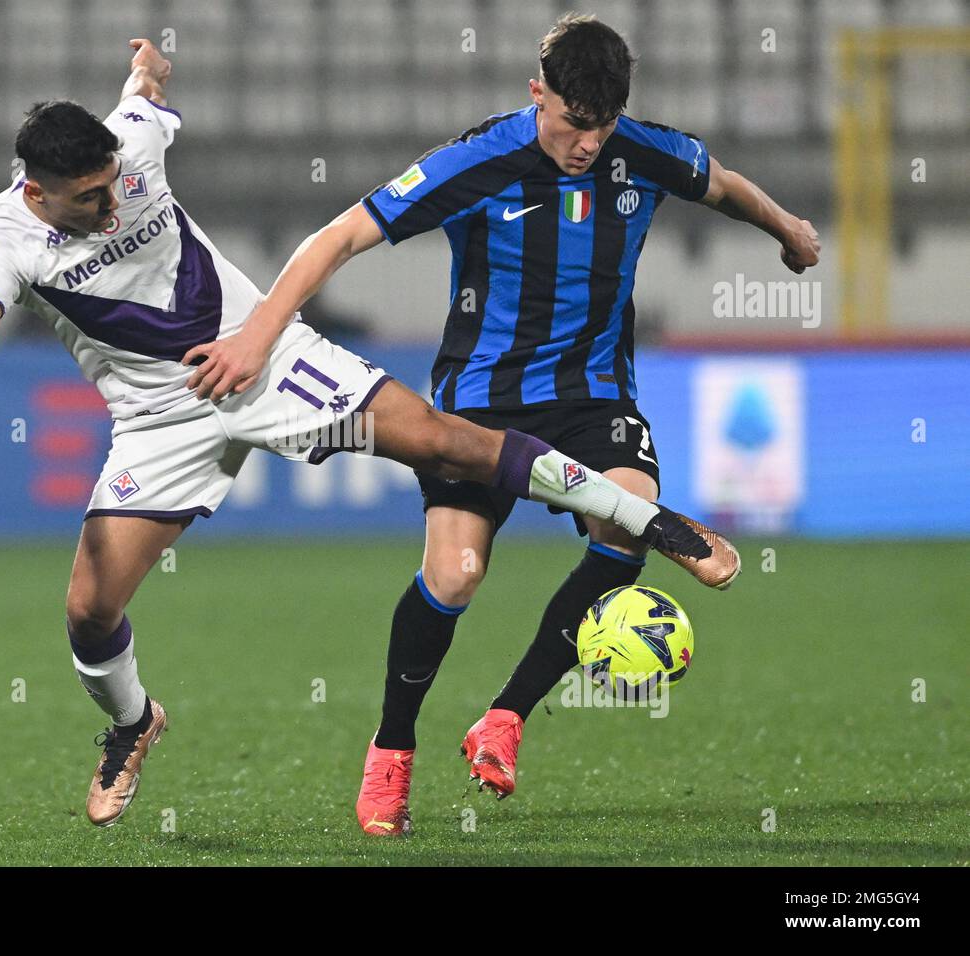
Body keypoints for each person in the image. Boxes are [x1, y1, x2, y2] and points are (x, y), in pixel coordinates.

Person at [0, 36, 732, 829]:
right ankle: (133, 724)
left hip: (263, 359)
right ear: (37, 194)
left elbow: (143, 102)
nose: (112, 200)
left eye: (115, 184)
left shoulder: (127, 148)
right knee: (90, 611)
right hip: (158, 417)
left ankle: (649, 520)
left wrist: (147, 70)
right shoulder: (4, 239)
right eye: (90, 198)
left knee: (441, 438)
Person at [186, 13, 813, 835]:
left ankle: (505, 718)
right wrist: (258, 335)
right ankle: (391, 752)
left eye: (601, 127)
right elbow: (339, 236)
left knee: (621, 531)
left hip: (595, 397)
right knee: (456, 577)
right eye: (570, 122)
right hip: (479, 402)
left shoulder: (643, 151)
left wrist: (789, 231)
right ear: (537, 94)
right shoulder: (481, 159)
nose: (586, 144)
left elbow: (723, 183)